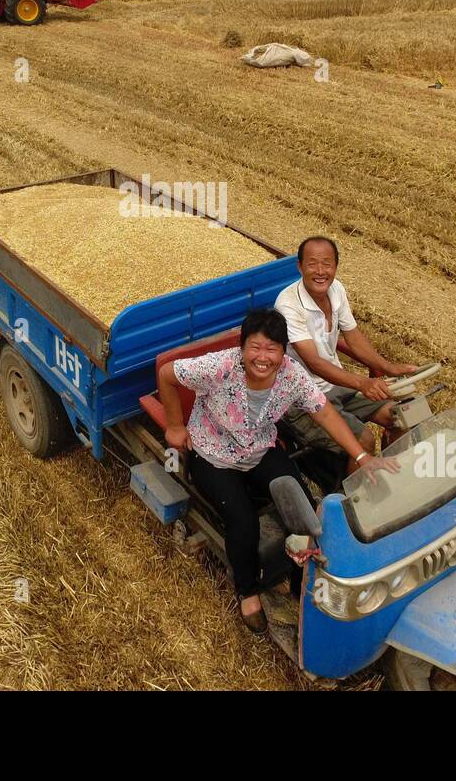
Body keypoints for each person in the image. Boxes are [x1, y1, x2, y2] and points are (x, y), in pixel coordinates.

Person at [156, 308, 395, 634]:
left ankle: (302, 587)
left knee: (305, 514)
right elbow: (168, 374)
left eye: (272, 349)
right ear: (242, 348)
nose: (262, 357)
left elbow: (324, 413)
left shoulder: (292, 375)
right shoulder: (218, 367)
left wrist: (363, 455)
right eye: (255, 347)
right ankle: (248, 591)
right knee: (243, 521)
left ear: (284, 352)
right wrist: (174, 426)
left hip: (260, 450)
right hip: (213, 456)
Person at [275, 236, 419, 474]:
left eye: (327, 264)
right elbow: (314, 363)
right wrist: (363, 383)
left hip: (338, 385)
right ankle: (356, 503)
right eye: (312, 264)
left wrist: (388, 366)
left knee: (403, 416)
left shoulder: (336, 289)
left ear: (336, 266)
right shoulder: (288, 304)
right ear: (300, 267)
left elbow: (352, 336)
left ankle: (396, 479)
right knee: (364, 441)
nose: (320, 271)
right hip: (304, 397)